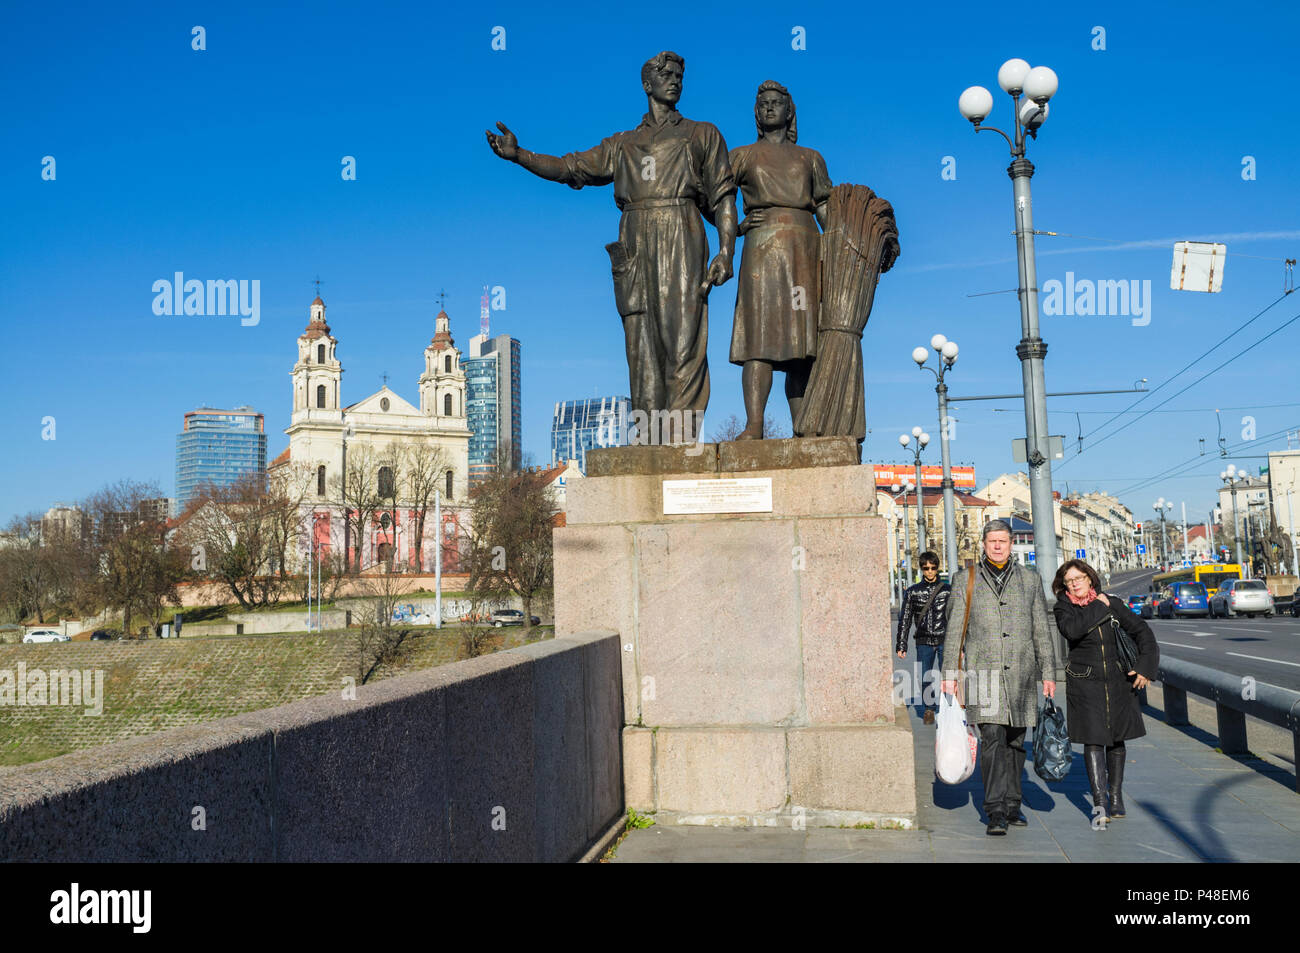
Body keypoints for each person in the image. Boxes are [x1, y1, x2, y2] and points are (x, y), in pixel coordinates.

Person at [485, 52, 737, 440]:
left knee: (684, 340)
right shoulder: (623, 144)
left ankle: (680, 441)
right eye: (665, 74)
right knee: (641, 346)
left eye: (679, 76)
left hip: (682, 231)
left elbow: (723, 197)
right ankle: (649, 442)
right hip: (635, 237)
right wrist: (520, 156)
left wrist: (726, 251)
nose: (674, 81)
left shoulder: (702, 134)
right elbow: (571, 167)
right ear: (646, 84)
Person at [726, 80, 832, 439]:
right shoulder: (741, 156)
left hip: (804, 249)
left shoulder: (811, 158)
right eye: (764, 104)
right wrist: (737, 227)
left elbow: (824, 206)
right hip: (761, 250)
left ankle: (804, 428)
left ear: (789, 112)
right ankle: (754, 426)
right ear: (757, 113)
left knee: (801, 345)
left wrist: (840, 247)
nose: (770, 108)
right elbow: (712, 197)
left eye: (777, 103)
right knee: (759, 339)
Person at [941, 520, 1061, 836]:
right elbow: (955, 630)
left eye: (1003, 541)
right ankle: (995, 810)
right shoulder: (965, 579)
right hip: (984, 674)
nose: (997, 546)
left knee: (1016, 742)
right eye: (992, 541)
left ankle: (1013, 804)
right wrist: (949, 674)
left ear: (1011, 544)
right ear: (983, 544)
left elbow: (1041, 630)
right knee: (993, 738)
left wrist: (1048, 672)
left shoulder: (1030, 581)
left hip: (1021, 674)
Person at [1052, 559, 1159, 830]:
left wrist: (1145, 667)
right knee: (1093, 740)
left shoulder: (1113, 603)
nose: (1075, 584)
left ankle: (1115, 795)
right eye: (1069, 581)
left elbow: (1143, 632)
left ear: (1090, 578)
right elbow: (1073, 630)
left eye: (1079, 578)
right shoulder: (1064, 608)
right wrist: (1100, 604)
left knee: (1116, 739)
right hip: (1085, 683)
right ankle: (1099, 802)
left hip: (1118, 681)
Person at [895, 551, 949, 724]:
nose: (930, 571)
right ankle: (929, 709)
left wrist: (962, 645)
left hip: (944, 639)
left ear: (937, 568)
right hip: (923, 641)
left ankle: (949, 709)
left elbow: (958, 617)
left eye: (933, 568)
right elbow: (905, 619)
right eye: (926, 568)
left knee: (948, 676)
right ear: (921, 569)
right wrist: (901, 644)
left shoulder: (948, 591)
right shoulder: (912, 592)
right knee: (925, 676)